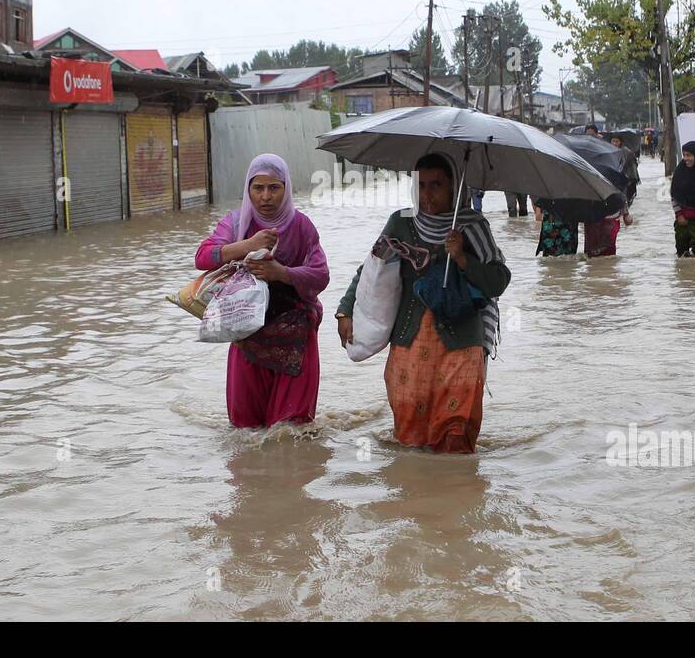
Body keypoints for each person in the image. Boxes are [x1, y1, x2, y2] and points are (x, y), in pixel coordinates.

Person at [336, 154, 511, 453]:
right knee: (410, 433)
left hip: (462, 341)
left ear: (454, 188)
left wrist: (462, 258)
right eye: (421, 186)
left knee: (456, 430)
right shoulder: (400, 223)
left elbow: (498, 280)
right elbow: (371, 270)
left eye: (437, 186)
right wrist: (345, 309)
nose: (427, 195)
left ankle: (455, 493)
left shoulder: (472, 225)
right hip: (410, 338)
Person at [195, 154, 329, 429]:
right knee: (246, 429)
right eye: (258, 188)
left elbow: (321, 275)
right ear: (248, 190)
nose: (265, 196)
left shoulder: (301, 227)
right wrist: (247, 245)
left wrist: (282, 273)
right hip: (247, 334)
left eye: (274, 188)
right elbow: (202, 257)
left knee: (292, 430)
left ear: (286, 188)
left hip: (296, 338)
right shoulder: (235, 224)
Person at [611, 134, 640, 206]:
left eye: (617, 141)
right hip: (614, 181)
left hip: (626, 180)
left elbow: (632, 168)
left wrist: (630, 180)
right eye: (613, 141)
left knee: (625, 200)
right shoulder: (609, 151)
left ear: (620, 142)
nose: (615, 143)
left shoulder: (627, 152)